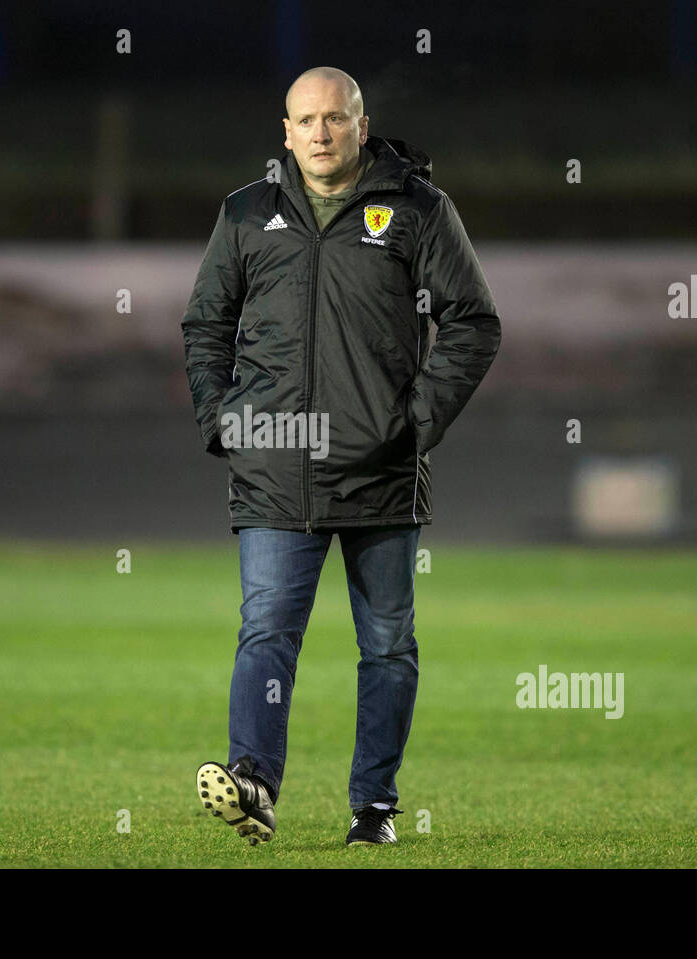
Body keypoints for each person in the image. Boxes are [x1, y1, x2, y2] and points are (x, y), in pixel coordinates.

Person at [181, 66, 501, 846]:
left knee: (386, 643)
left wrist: (413, 423)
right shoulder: (247, 213)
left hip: (381, 472)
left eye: (335, 118)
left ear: (362, 124)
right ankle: (252, 781)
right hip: (273, 471)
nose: (320, 133)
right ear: (284, 133)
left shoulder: (419, 209)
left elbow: (473, 322)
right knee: (266, 633)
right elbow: (204, 325)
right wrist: (224, 422)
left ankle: (375, 808)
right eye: (306, 120)